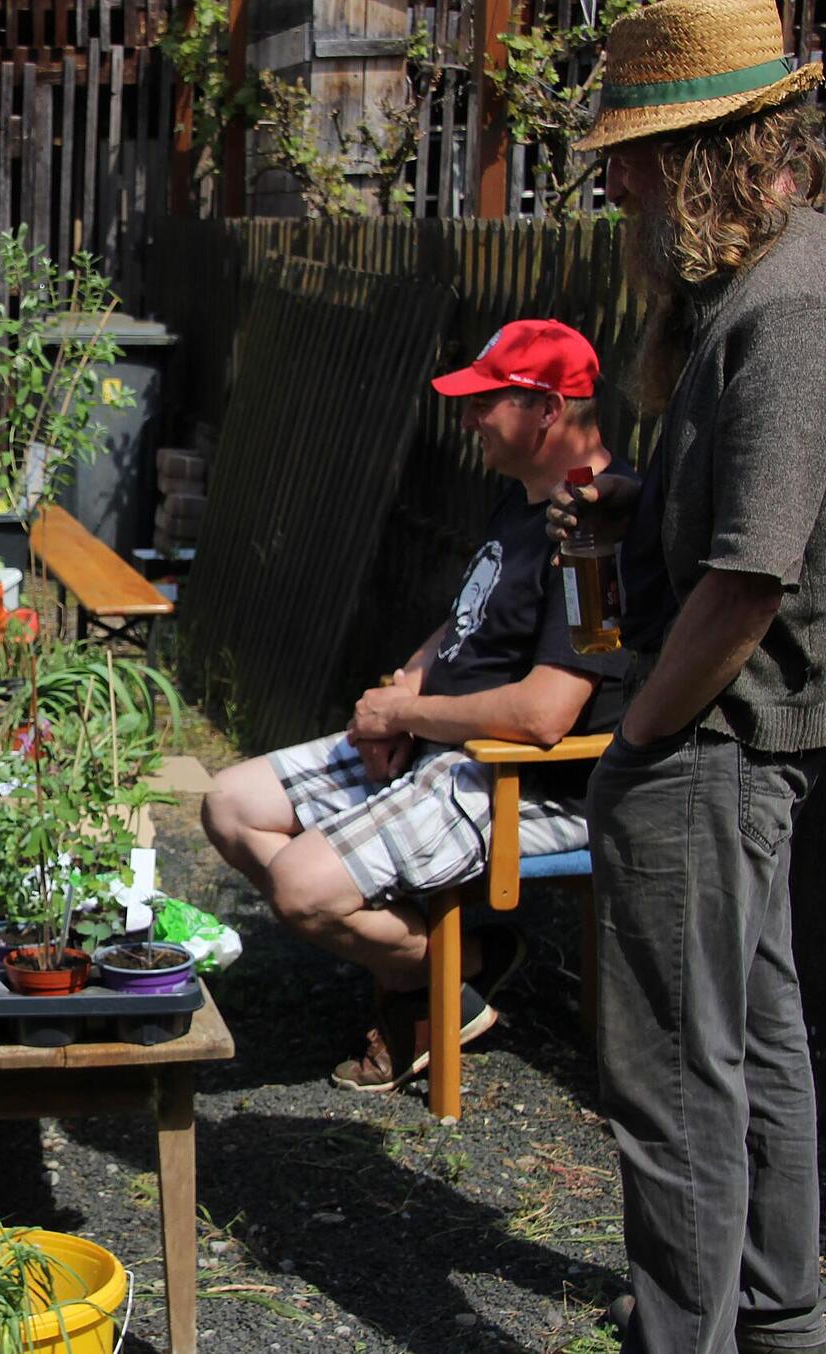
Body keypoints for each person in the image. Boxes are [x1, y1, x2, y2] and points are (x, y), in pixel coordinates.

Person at [558, 5, 826, 1351]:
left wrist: (635, 740)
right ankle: (777, 1320)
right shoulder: (763, 286)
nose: (617, 186)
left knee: (674, 1078)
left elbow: (753, 577)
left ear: (705, 150)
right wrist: (635, 500)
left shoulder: (794, 304)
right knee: (751, 1036)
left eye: (635, 160)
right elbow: (746, 523)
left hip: (716, 732)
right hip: (729, 728)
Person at [201, 320, 630, 1093]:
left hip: (522, 780)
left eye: (485, 403)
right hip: (443, 744)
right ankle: (449, 963)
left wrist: (406, 719)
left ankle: (436, 974)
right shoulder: (523, 502)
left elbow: (545, 714)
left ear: (547, 410)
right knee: (229, 804)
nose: (466, 421)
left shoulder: (593, 529)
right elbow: (469, 621)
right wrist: (406, 685)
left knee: (301, 889)